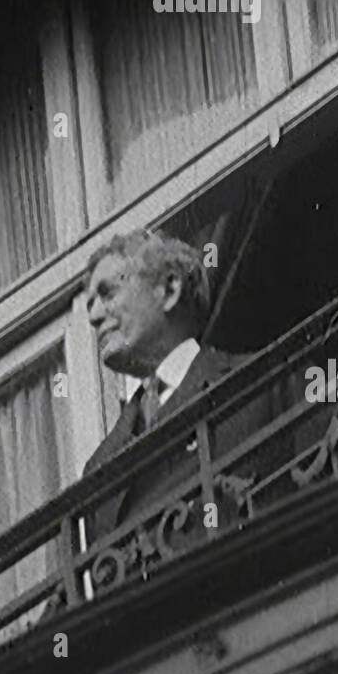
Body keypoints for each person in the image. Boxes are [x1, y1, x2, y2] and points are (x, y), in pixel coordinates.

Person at [81, 229, 273, 553]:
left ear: (169, 288)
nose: (94, 316)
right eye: (91, 304)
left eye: (108, 293)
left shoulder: (261, 381)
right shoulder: (98, 468)